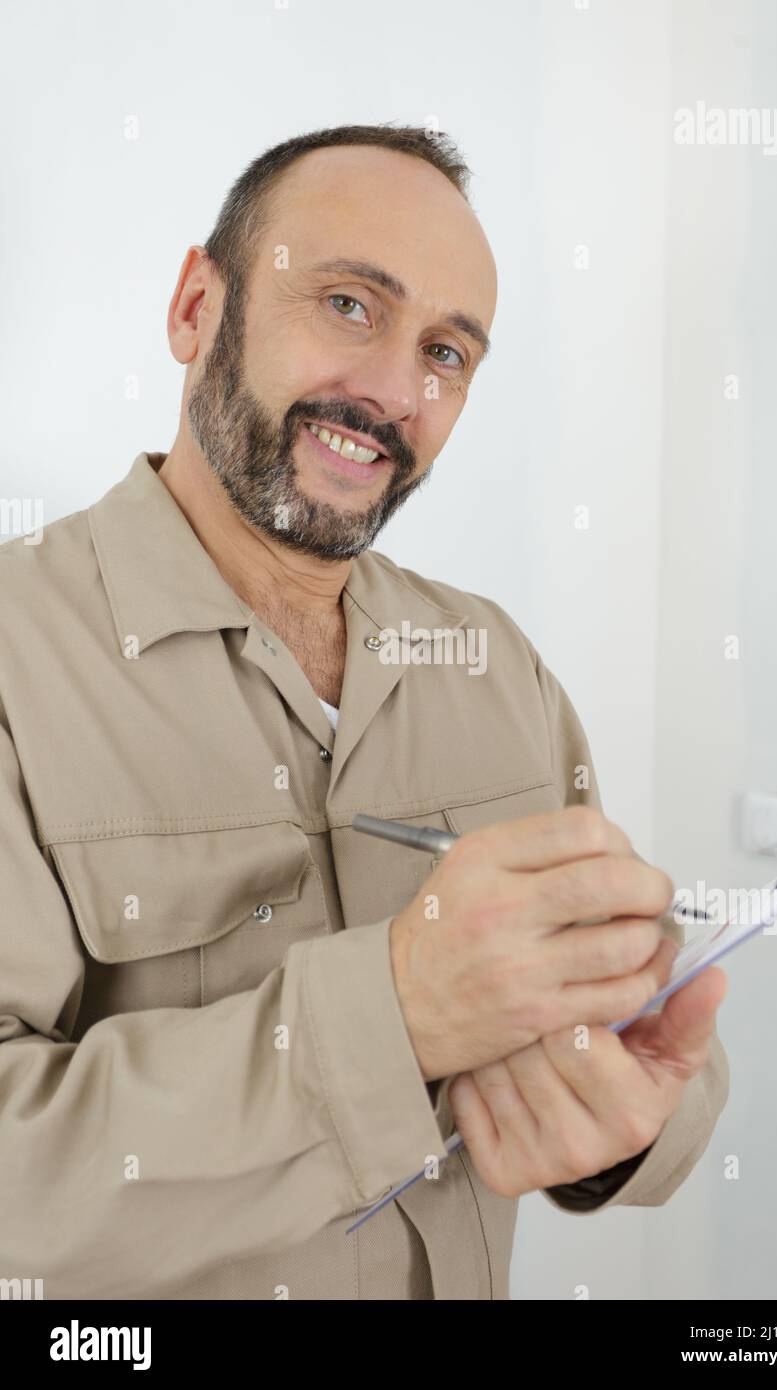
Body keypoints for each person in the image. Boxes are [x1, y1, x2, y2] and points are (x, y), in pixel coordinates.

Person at [0, 124, 728, 1300]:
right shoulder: (12, 660)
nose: (396, 389)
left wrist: (625, 1124)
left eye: (446, 351)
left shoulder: (495, 663)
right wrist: (391, 1018)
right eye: (347, 304)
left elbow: (641, 1033)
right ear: (196, 307)